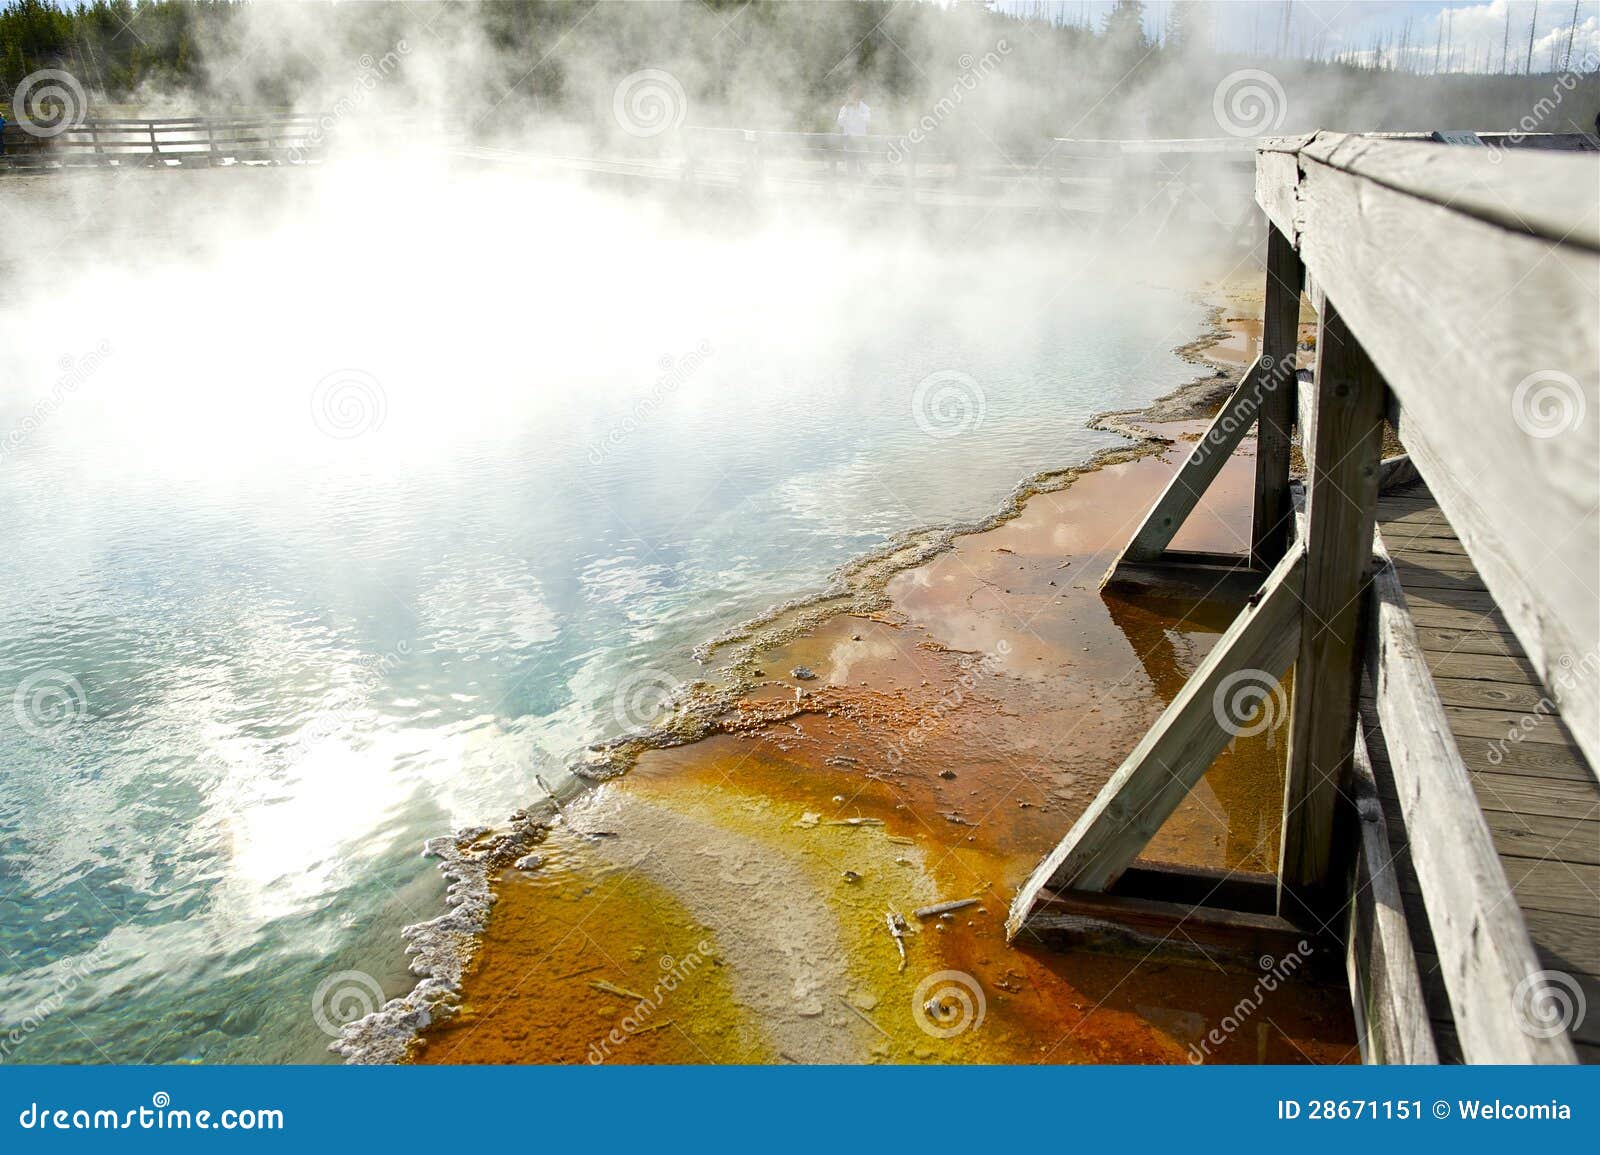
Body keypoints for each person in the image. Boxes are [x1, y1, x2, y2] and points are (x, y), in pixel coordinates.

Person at [835, 85, 869, 180]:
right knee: (850, 165)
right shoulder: (845, 108)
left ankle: (866, 185)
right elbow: (839, 122)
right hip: (848, 140)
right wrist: (846, 111)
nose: (854, 97)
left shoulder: (865, 108)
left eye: (856, 95)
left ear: (860, 96)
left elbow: (867, 120)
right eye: (852, 94)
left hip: (861, 139)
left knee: (864, 164)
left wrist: (856, 109)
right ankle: (852, 186)